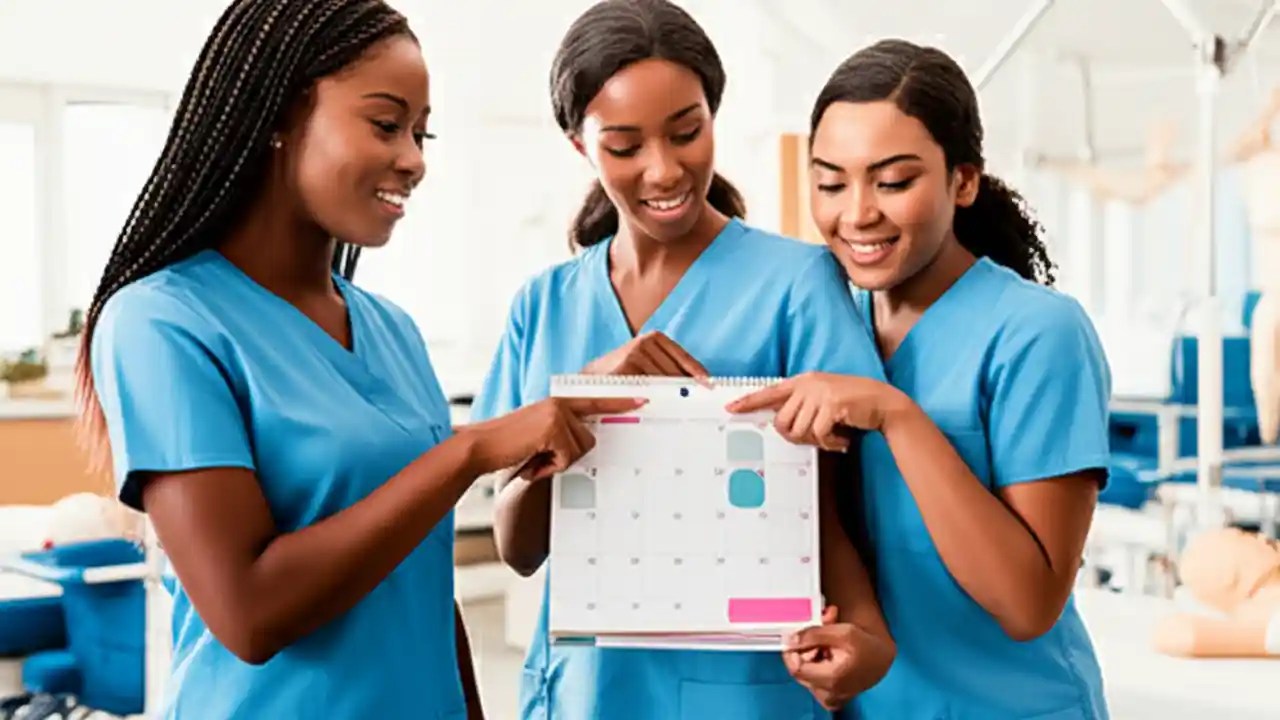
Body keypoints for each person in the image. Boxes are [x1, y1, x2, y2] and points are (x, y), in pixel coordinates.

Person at [75, 1, 642, 717]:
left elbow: (424, 590)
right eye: (385, 124)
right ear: (278, 116)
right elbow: (249, 614)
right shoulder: (163, 321)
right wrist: (466, 453)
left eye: (420, 131)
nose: (415, 158)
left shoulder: (391, 330)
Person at [470, 1, 895, 718]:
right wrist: (572, 408)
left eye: (687, 133)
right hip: (583, 693)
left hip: (745, 692)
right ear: (581, 145)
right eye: (625, 145)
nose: (664, 170)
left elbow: (840, 505)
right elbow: (519, 547)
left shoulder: (797, 284)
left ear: (713, 118)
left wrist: (866, 631)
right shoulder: (543, 306)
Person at [728, 39, 1112, 719]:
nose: (857, 213)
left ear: (963, 181)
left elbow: (1028, 604)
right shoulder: (821, 325)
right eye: (830, 182)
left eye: (894, 181)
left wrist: (897, 416)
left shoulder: (1037, 333)